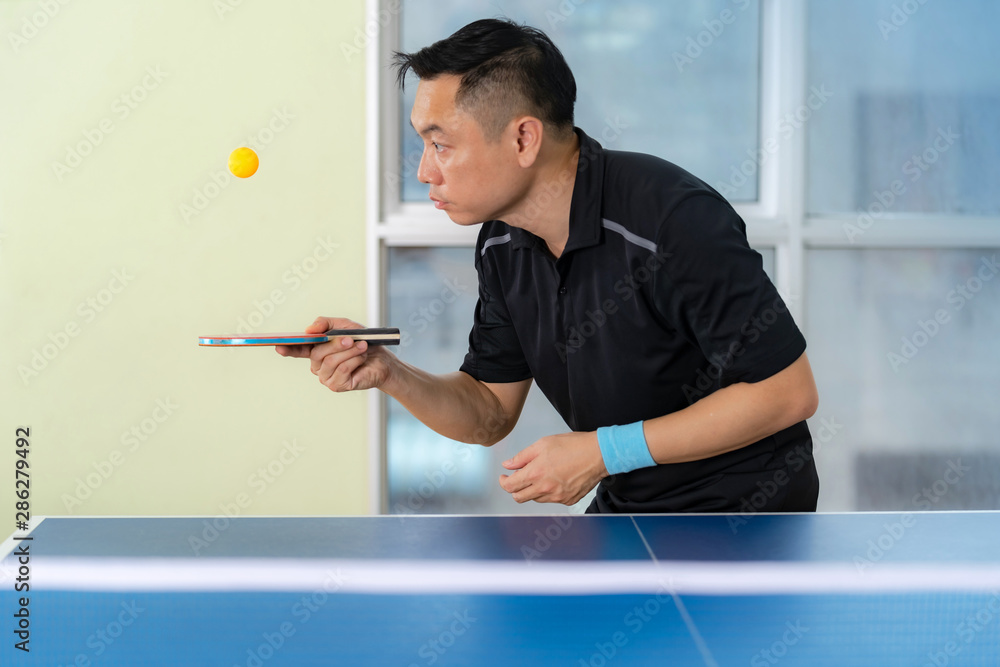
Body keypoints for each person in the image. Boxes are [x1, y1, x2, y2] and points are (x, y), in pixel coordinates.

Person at [278, 18, 820, 514]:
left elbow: (787, 393)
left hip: (747, 517)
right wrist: (390, 373)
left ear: (523, 138)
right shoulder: (502, 244)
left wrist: (603, 451)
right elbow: (489, 409)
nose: (425, 172)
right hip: (631, 508)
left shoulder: (672, 219)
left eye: (440, 145)